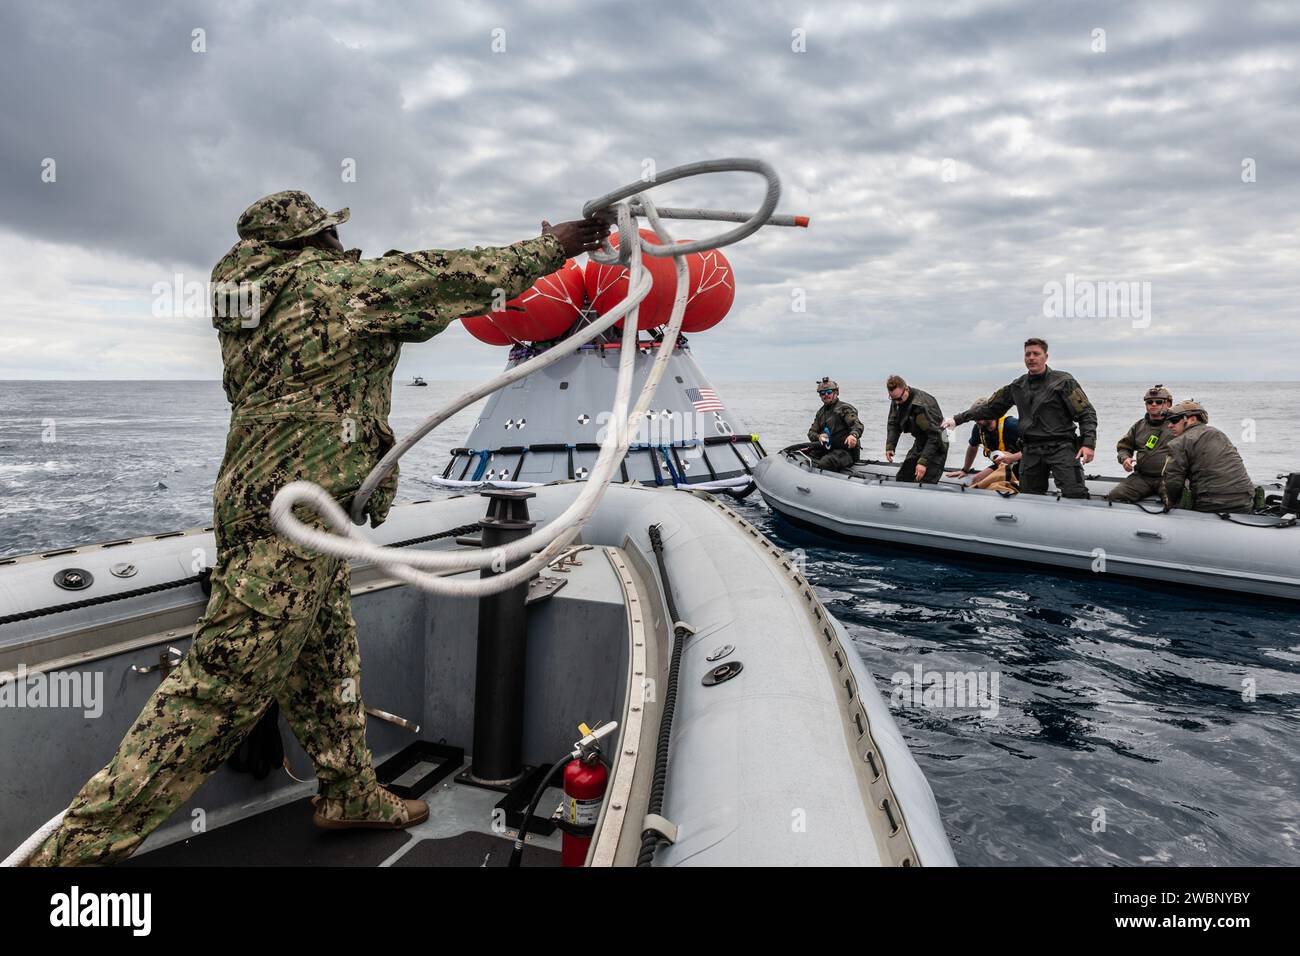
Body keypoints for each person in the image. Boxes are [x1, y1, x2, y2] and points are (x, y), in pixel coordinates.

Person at [29, 190, 608, 866]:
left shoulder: (245, 293)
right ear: (314, 242)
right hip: (295, 514)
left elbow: (397, 303)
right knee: (216, 694)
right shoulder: (330, 289)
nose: (342, 246)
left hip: (261, 496)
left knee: (325, 653)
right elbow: (444, 275)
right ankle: (70, 858)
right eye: (333, 237)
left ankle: (349, 791)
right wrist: (552, 248)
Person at [941, 338, 1096, 499]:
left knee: (1075, 493)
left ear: (1046, 357)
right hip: (1031, 451)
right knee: (1029, 497)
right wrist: (957, 419)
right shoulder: (1017, 386)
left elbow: (1086, 413)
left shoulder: (1063, 382)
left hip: (1061, 448)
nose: (1031, 357)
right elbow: (990, 408)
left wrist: (1088, 443)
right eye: (1027, 354)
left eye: (1036, 354)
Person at [1160, 400, 1256, 514]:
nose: (1170, 425)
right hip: (1245, 501)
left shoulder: (1178, 443)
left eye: (1174, 420)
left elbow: (1173, 481)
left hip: (1211, 505)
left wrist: (1170, 502)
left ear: (1192, 419)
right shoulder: (1218, 433)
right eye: (1169, 421)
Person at [1106, 385, 1174, 503]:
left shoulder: (1177, 425)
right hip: (1143, 477)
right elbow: (1124, 447)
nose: (1153, 404)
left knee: (1175, 501)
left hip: (1168, 478)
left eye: (1158, 402)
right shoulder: (1138, 426)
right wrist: (1125, 459)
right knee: (1115, 496)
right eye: (1149, 402)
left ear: (1168, 404)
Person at [944, 399, 1022, 490]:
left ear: (990, 414)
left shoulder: (1012, 425)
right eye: (974, 418)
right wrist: (965, 470)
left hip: (1024, 466)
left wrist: (1011, 458)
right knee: (976, 479)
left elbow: (1035, 449)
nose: (976, 421)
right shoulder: (979, 428)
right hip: (1003, 466)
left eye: (978, 418)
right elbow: (973, 447)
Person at [884, 375, 948, 483]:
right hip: (921, 441)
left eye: (899, 399)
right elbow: (893, 424)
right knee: (903, 477)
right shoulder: (897, 400)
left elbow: (934, 436)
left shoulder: (920, 406)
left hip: (938, 442)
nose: (896, 403)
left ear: (906, 389)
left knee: (924, 481)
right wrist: (890, 445)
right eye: (893, 399)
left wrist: (923, 462)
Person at [806, 377, 863, 472]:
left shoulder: (845, 409)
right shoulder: (821, 413)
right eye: (822, 393)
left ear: (835, 393)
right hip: (828, 449)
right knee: (804, 456)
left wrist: (853, 436)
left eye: (828, 392)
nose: (825, 395)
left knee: (826, 463)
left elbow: (857, 425)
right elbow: (811, 433)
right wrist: (819, 436)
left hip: (846, 452)